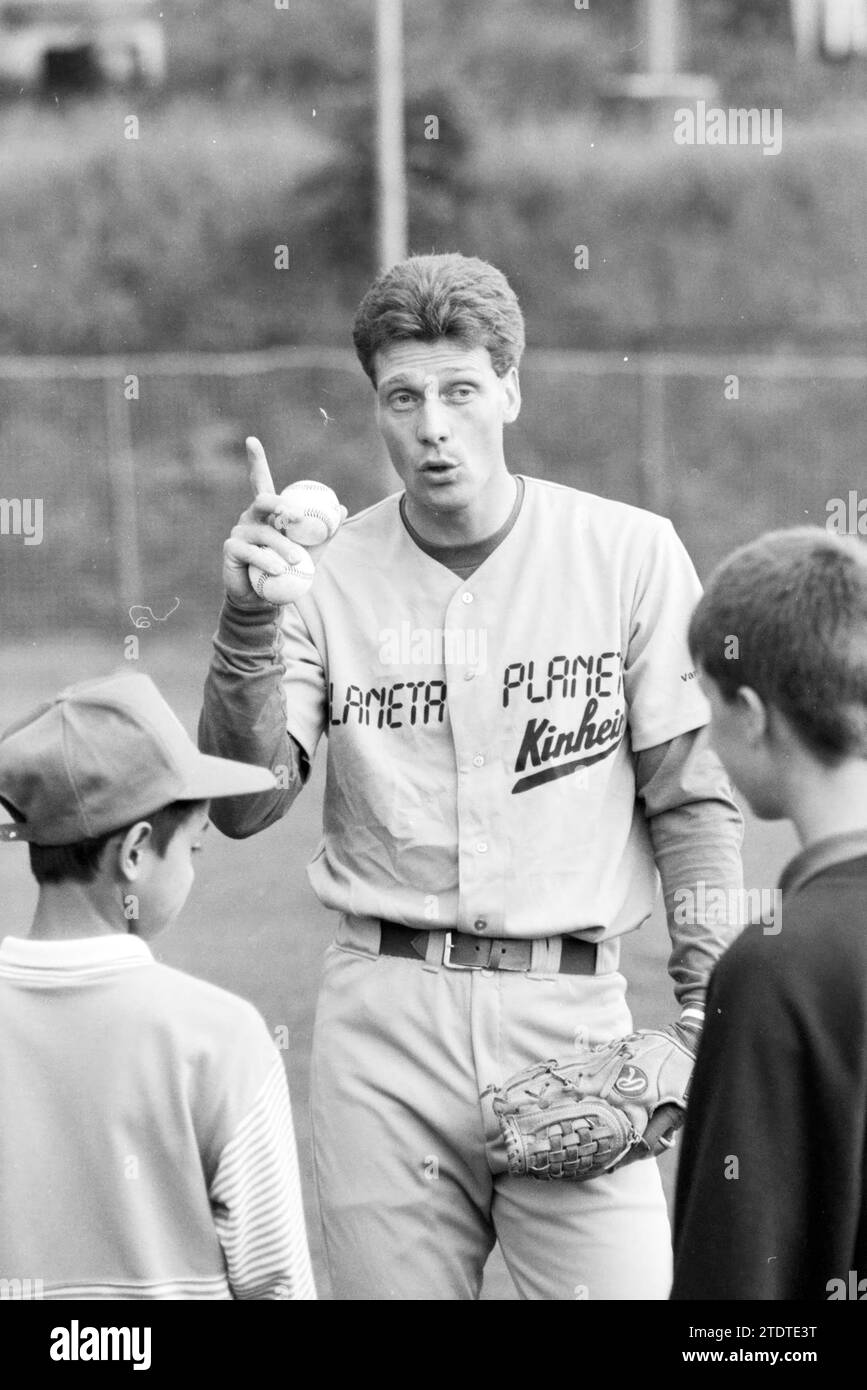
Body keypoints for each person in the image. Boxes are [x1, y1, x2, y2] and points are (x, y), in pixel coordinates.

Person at [199, 252, 744, 1301]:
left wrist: (701, 1015)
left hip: (573, 1017)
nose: (433, 425)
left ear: (509, 390)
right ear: (377, 409)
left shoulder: (628, 553)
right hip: (383, 1022)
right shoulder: (326, 577)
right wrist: (250, 620)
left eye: (459, 391)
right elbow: (242, 799)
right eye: (403, 398)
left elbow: (693, 800)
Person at [0, 672, 316, 1301]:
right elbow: (275, 1286)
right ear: (137, 852)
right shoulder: (221, 1040)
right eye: (194, 847)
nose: (193, 869)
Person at [671, 527, 867, 1301]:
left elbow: (733, 1318)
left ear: (750, 714)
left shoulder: (774, 969)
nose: (704, 746)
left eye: (708, 708)